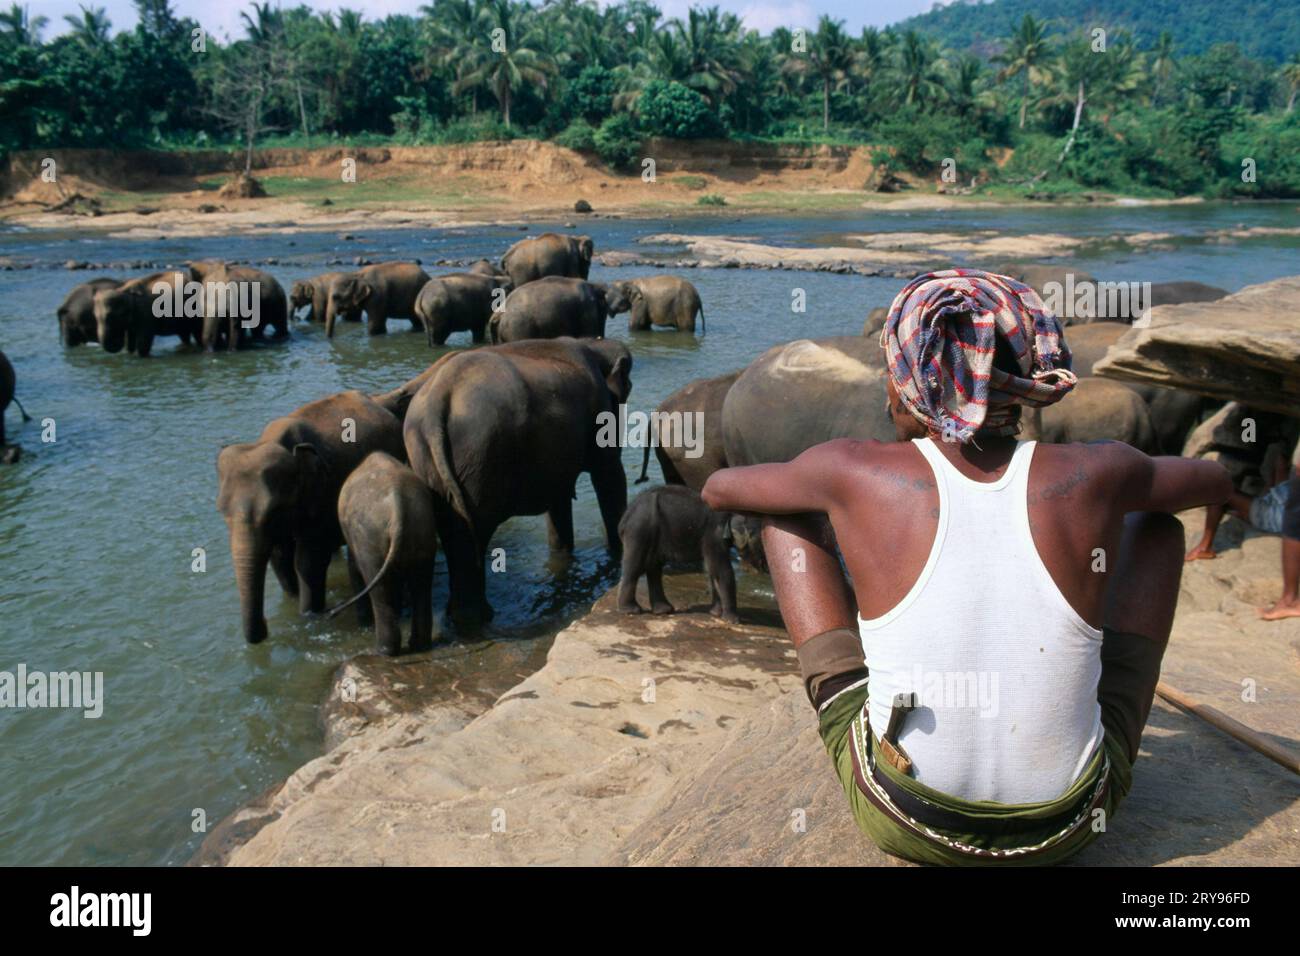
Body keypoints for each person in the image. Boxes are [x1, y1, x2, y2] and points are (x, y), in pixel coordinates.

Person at [701, 270, 1232, 865]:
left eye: (893, 376)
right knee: (1156, 527)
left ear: (910, 386)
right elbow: (1212, 479)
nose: (885, 393)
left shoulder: (848, 468)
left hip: (905, 818)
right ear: (1026, 378)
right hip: (1070, 825)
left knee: (785, 517)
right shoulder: (1099, 469)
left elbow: (721, 489)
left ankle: (837, 689)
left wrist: (821, 490)